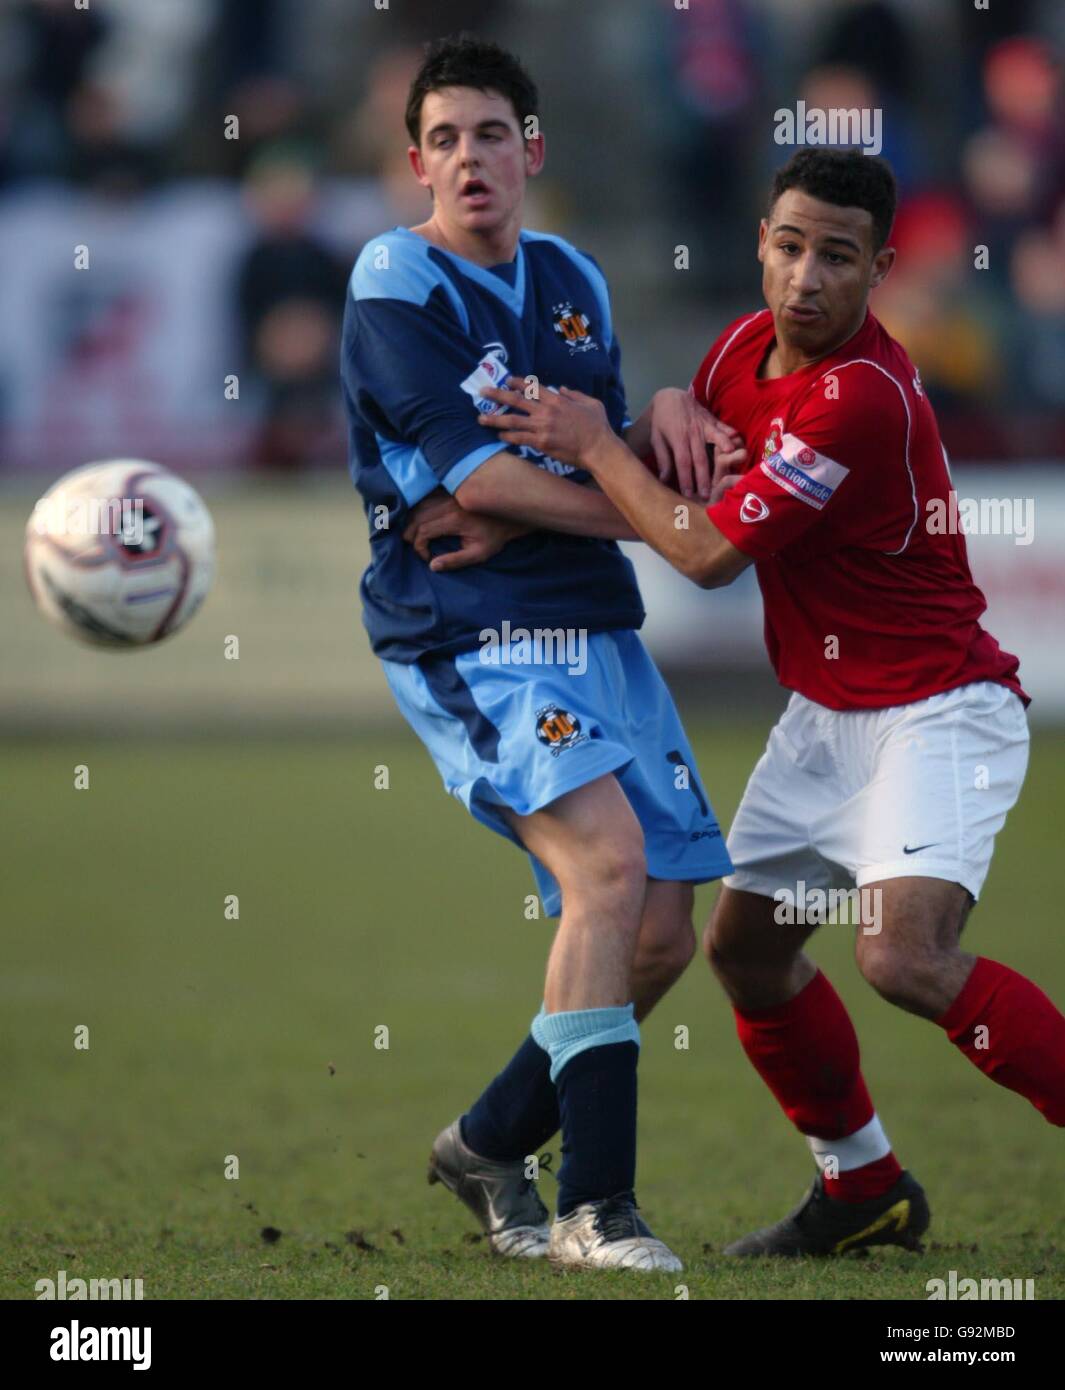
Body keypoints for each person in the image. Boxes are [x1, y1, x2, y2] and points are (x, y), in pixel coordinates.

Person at [470, 148, 1065, 1256]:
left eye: (837, 258)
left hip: (939, 709)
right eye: (790, 248)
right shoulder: (743, 347)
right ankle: (861, 1186)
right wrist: (652, 408)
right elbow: (685, 451)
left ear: (880, 268)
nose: (805, 278)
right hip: (825, 718)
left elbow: (706, 555)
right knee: (744, 952)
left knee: (903, 957)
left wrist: (595, 440)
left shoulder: (864, 398)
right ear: (760, 240)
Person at [339, 34, 741, 1271]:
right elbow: (485, 478)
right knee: (608, 871)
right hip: (474, 632)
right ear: (415, 162)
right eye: (446, 139)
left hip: (594, 618)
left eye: (493, 134)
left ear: (534, 152)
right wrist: (655, 507)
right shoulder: (393, 281)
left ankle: (488, 1141)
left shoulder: (573, 275)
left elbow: (582, 442)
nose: (471, 158)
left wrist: (643, 430)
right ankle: (597, 1209)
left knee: (666, 927)